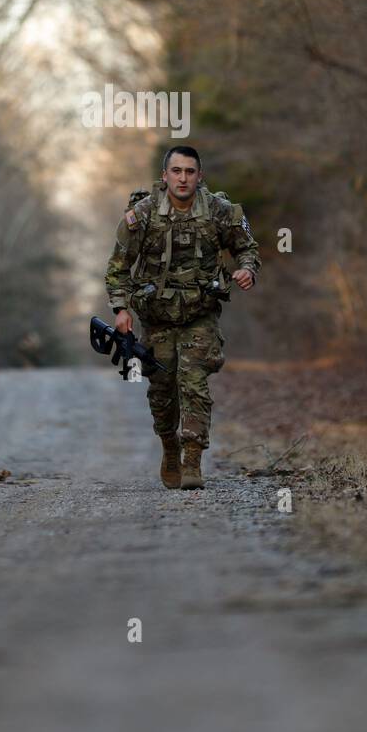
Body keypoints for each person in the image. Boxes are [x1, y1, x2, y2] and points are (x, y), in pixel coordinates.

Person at [104, 145, 260, 489]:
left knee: (195, 384)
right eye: (176, 171)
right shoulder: (142, 215)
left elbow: (246, 247)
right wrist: (120, 310)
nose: (183, 178)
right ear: (165, 176)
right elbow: (118, 268)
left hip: (199, 315)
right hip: (156, 318)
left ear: (199, 177)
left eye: (190, 171)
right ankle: (169, 445)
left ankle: (192, 460)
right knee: (161, 392)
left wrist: (247, 270)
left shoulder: (219, 211)